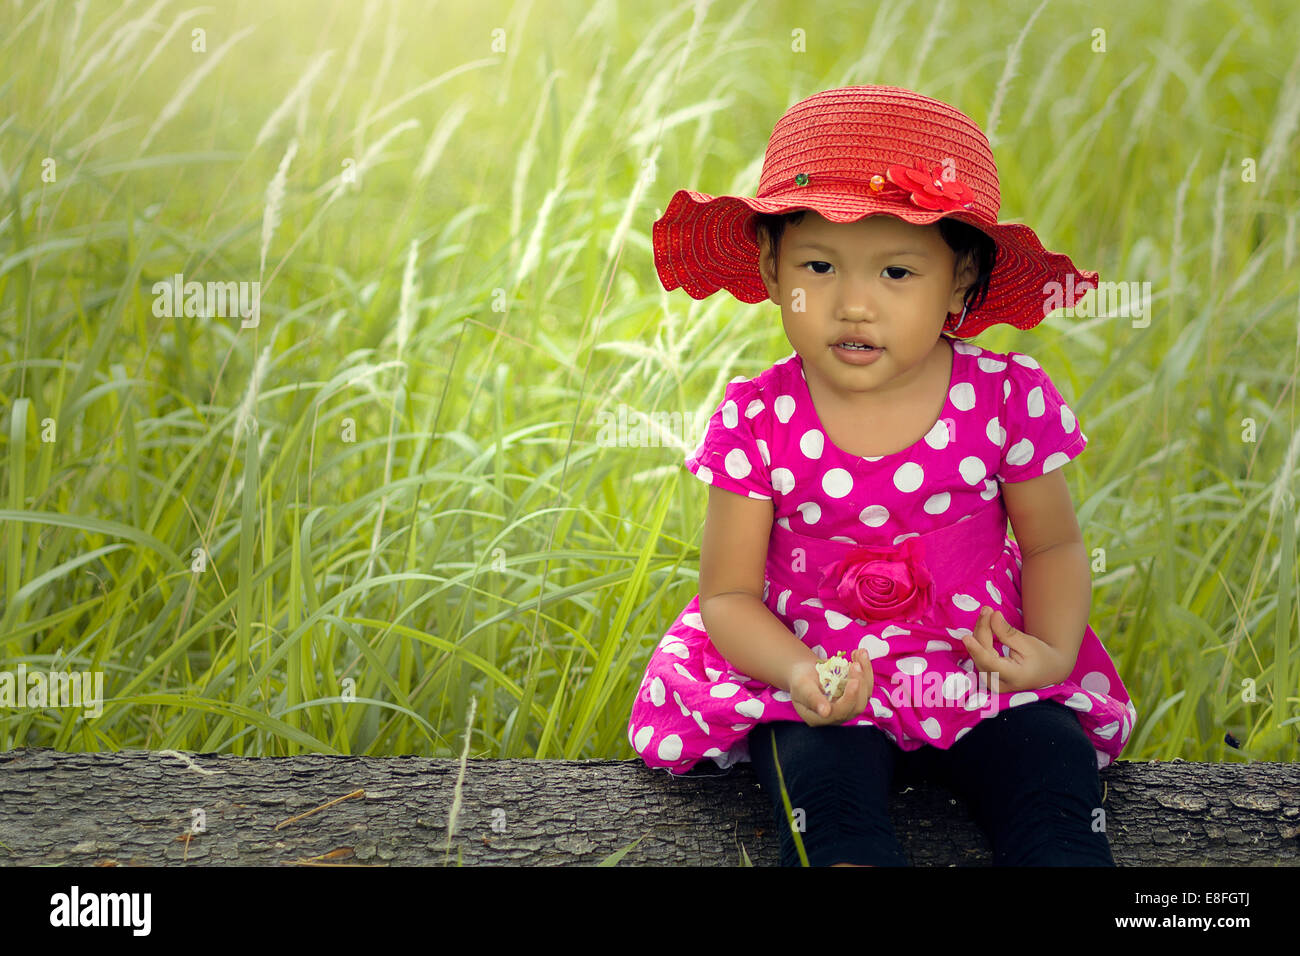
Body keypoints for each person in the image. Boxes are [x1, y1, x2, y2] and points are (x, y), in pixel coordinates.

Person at [626, 85, 1137, 867]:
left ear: (962, 281)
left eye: (897, 272)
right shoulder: (756, 419)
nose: (854, 304)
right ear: (770, 270)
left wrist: (1053, 652)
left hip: (980, 667)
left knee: (1051, 781)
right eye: (820, 267)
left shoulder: (1005, 397)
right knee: (822, 796)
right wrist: (799, 672)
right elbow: (727, 595)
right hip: (825, 675)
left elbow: (1054, 547)